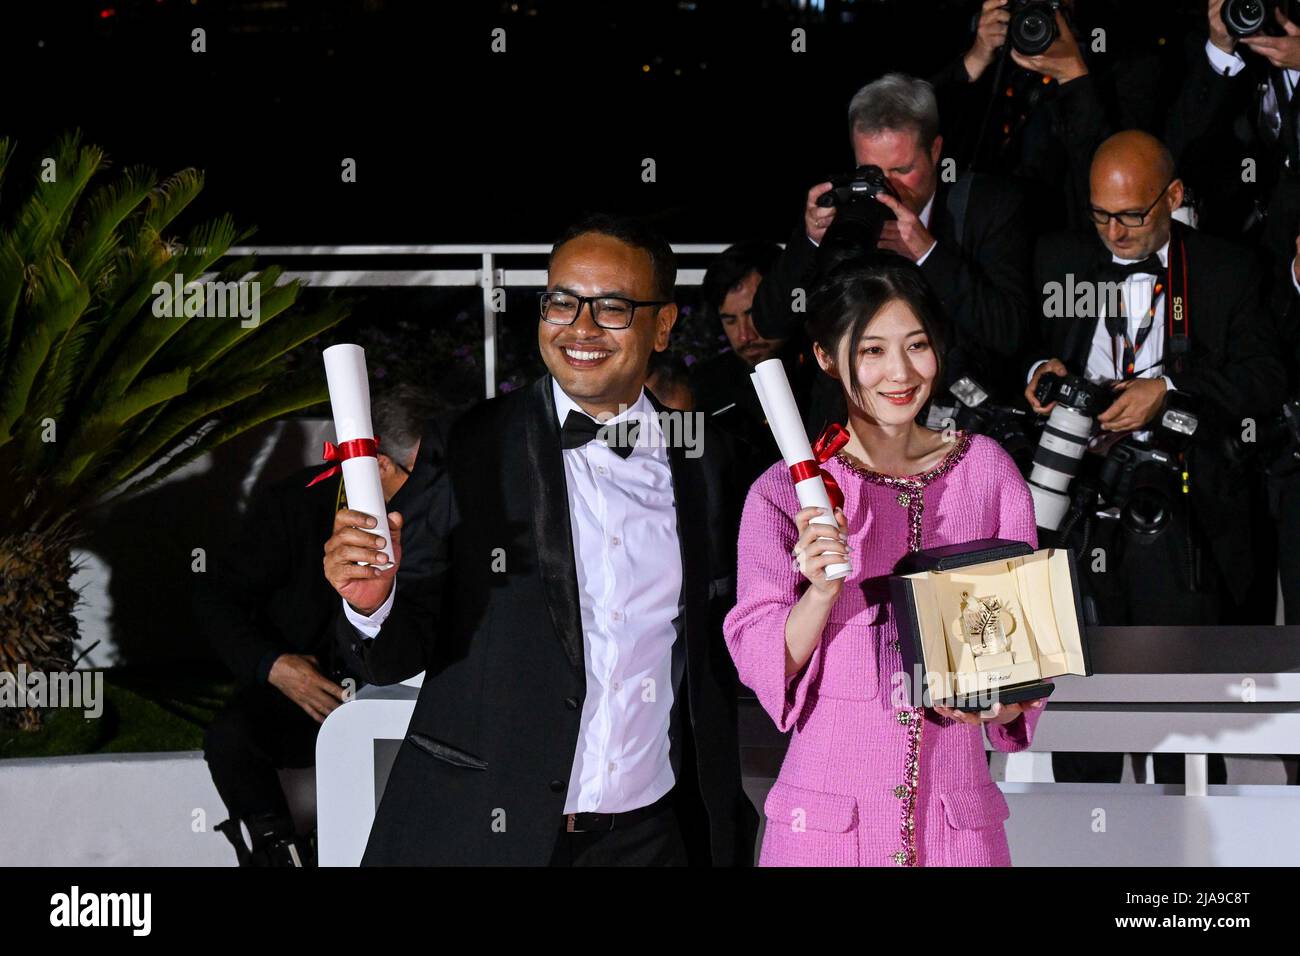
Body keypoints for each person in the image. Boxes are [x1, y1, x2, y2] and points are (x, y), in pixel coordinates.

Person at [323, 214, 758, 866]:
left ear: (663, 325)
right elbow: (389, 658)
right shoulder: (468, 445)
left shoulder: (709, 459)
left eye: (611, 307)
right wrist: (371, 604)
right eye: (561, 302)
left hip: (651, 835)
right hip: (485, 833)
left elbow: (729, 634)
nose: (579, 328)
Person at [724, 259, 1044, 867]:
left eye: (917, 346)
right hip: (825, 833)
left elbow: (1018, 663)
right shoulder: (782, 492)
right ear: (824, 357)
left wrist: (998, 703)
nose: (900, 373)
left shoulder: (988, 473)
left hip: (958, 830)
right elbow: (762, 659)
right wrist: (817, 593)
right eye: (871, 350)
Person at [1023, 130, 1286, 783]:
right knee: (1078, 704)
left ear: (1172, 197)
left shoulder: (1227, 268)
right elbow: (1010, 348)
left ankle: (1184, 860)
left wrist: (1166, 394)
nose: (1114, 231)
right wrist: (1039, 372)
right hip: (1077, 507)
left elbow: (1266, 379)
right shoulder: (1059, 258)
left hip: (1184, 515)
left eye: (1132, 215)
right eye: (1100, 214)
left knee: (1179, 712)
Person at [198, 383, 436, 866]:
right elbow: (218, 597)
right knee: (233, 737)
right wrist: (275, 666)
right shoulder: (294, 504)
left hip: (413, 695)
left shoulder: (445, 513)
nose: (438, 480)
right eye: (427, 469)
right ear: (384, 467)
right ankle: (280, 854)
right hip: (315, 695)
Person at [754, 73, 1034, 405]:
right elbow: (770, 322)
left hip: (952, 421)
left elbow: (1009, 334)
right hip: (851, 427)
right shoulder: (842, 210)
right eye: (871, 173)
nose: (886, 188)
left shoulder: (989, 206)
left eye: (901, 171)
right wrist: (812, 242)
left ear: (935, 150)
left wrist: (929, 254)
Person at [691, 240, 815, 490]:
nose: (745, 335)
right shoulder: (703, 386)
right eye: (730, 320)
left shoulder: (826, 374)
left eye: (753, 314)